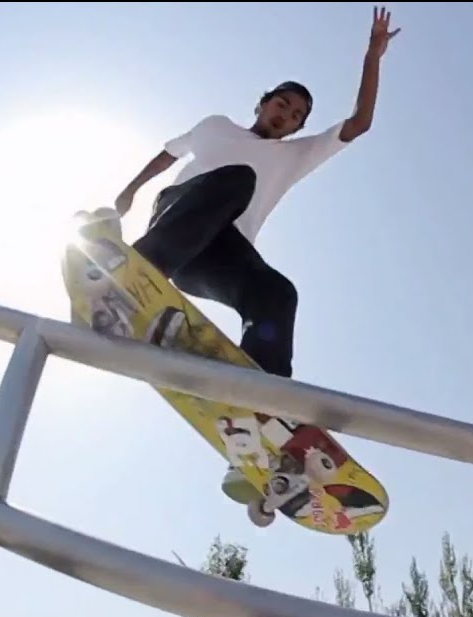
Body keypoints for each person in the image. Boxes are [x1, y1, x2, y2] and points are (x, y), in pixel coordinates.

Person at [111, 6, 400, 494]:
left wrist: (373, 57)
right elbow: (169, 152)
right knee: (235, 180)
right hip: (179, 222)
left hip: (217, 257)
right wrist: (130, 190)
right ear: (263, 102)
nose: (285, 118)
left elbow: (360, 123)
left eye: (295, 116)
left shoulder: (295, 154)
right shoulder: (216, 126)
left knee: (277, 294)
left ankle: (259, 415)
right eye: (281, 105)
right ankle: (135, 274)